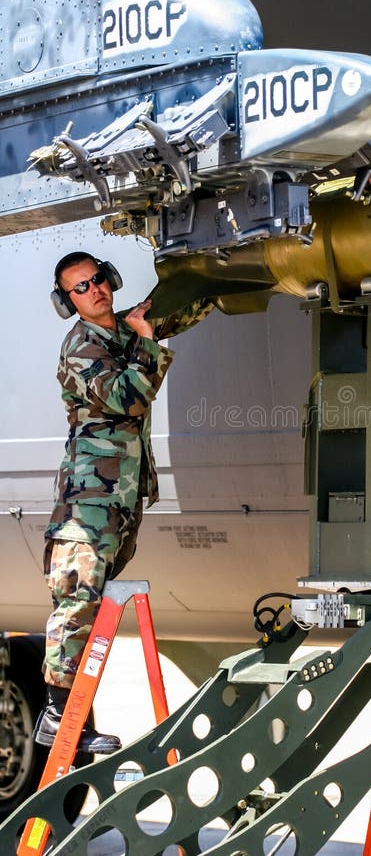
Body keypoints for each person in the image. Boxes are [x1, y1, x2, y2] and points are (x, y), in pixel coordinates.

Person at [34, 251, 212, 752]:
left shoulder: (128, 328)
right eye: (79, 288)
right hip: (88, 500)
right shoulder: (80, 347)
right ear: (67, 302)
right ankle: (55, 714)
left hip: (122, 498)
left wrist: (213, 277)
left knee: (93, 609)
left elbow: (179, 308)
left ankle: (78, 719)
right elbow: (132, 396)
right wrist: (149, 339)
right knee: (78, 599)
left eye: (96, 280)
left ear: (108, 279)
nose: (93, 290)